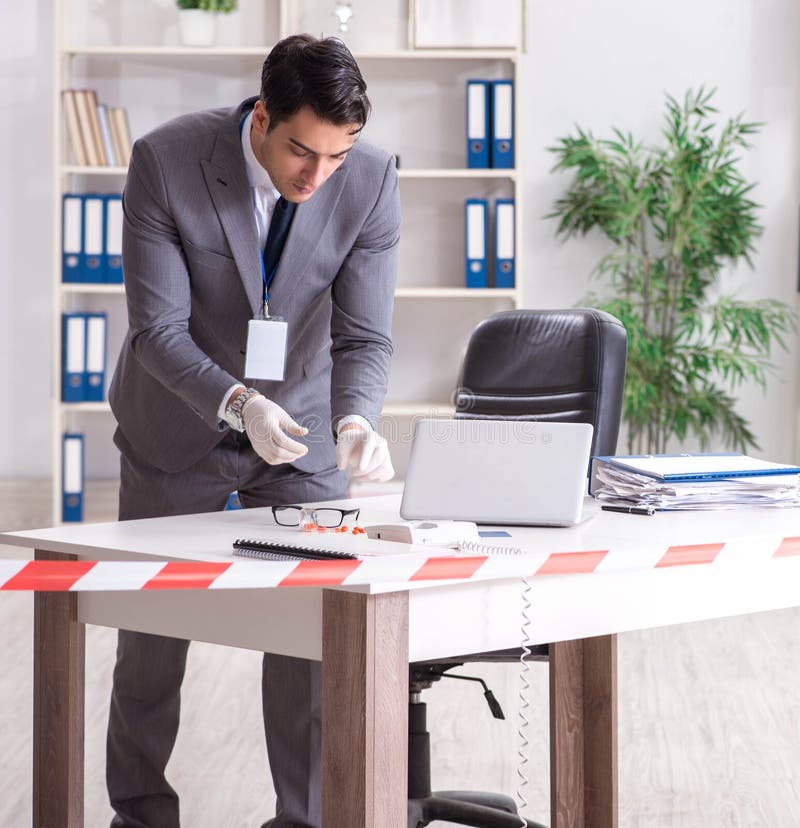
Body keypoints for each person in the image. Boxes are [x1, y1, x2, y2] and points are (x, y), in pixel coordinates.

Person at [105, 33, 400, 828]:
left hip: (302, 430)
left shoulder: (370, 180)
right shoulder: (167, 160)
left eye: (337, 157)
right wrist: (240, 405)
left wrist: (356, 419)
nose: (318, 176)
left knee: (311, 643)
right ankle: (138, 815)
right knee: (151, 644)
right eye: (303, 151)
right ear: (263, 117)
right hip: (178, 422)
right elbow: (157, 331)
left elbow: (365, 338)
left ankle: (302, 820)